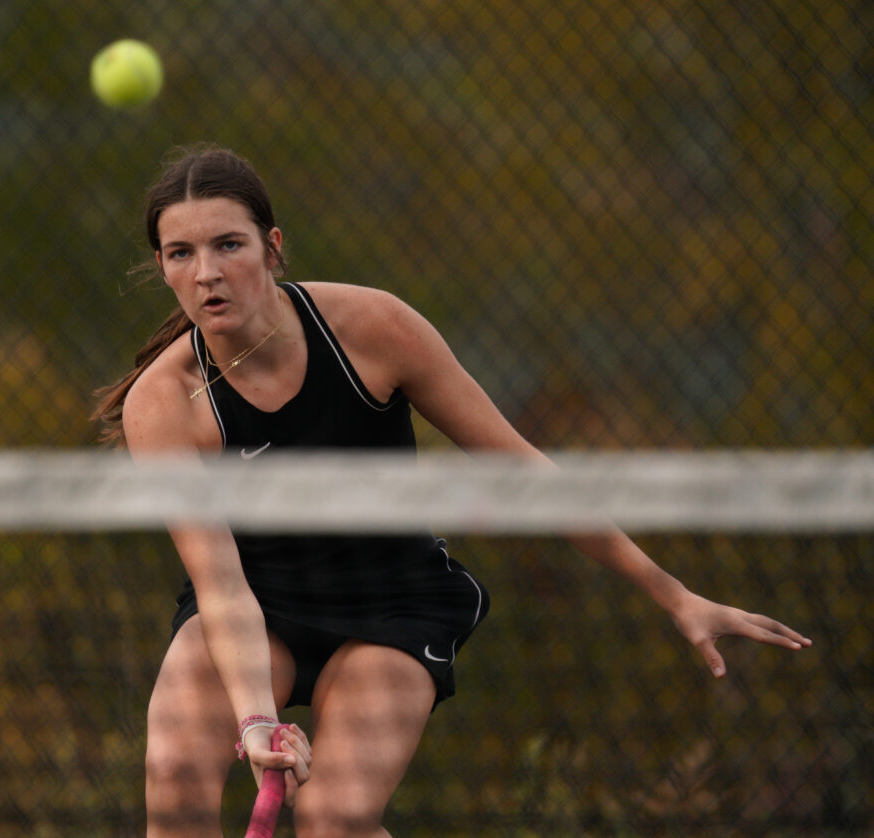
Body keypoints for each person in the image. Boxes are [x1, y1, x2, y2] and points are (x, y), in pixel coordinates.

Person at [92, 144, 811, 838]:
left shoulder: (376, 329)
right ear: (160, 268)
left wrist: (673, 594)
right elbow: (219, 584)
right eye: (181, 254)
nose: (207, 273)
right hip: (257, 603)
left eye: (229, 245)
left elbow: (522, 471)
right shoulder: (163, 405)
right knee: (177, 774)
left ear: (273, 247)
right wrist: (256, 723)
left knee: (334, 820)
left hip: (391, 603)